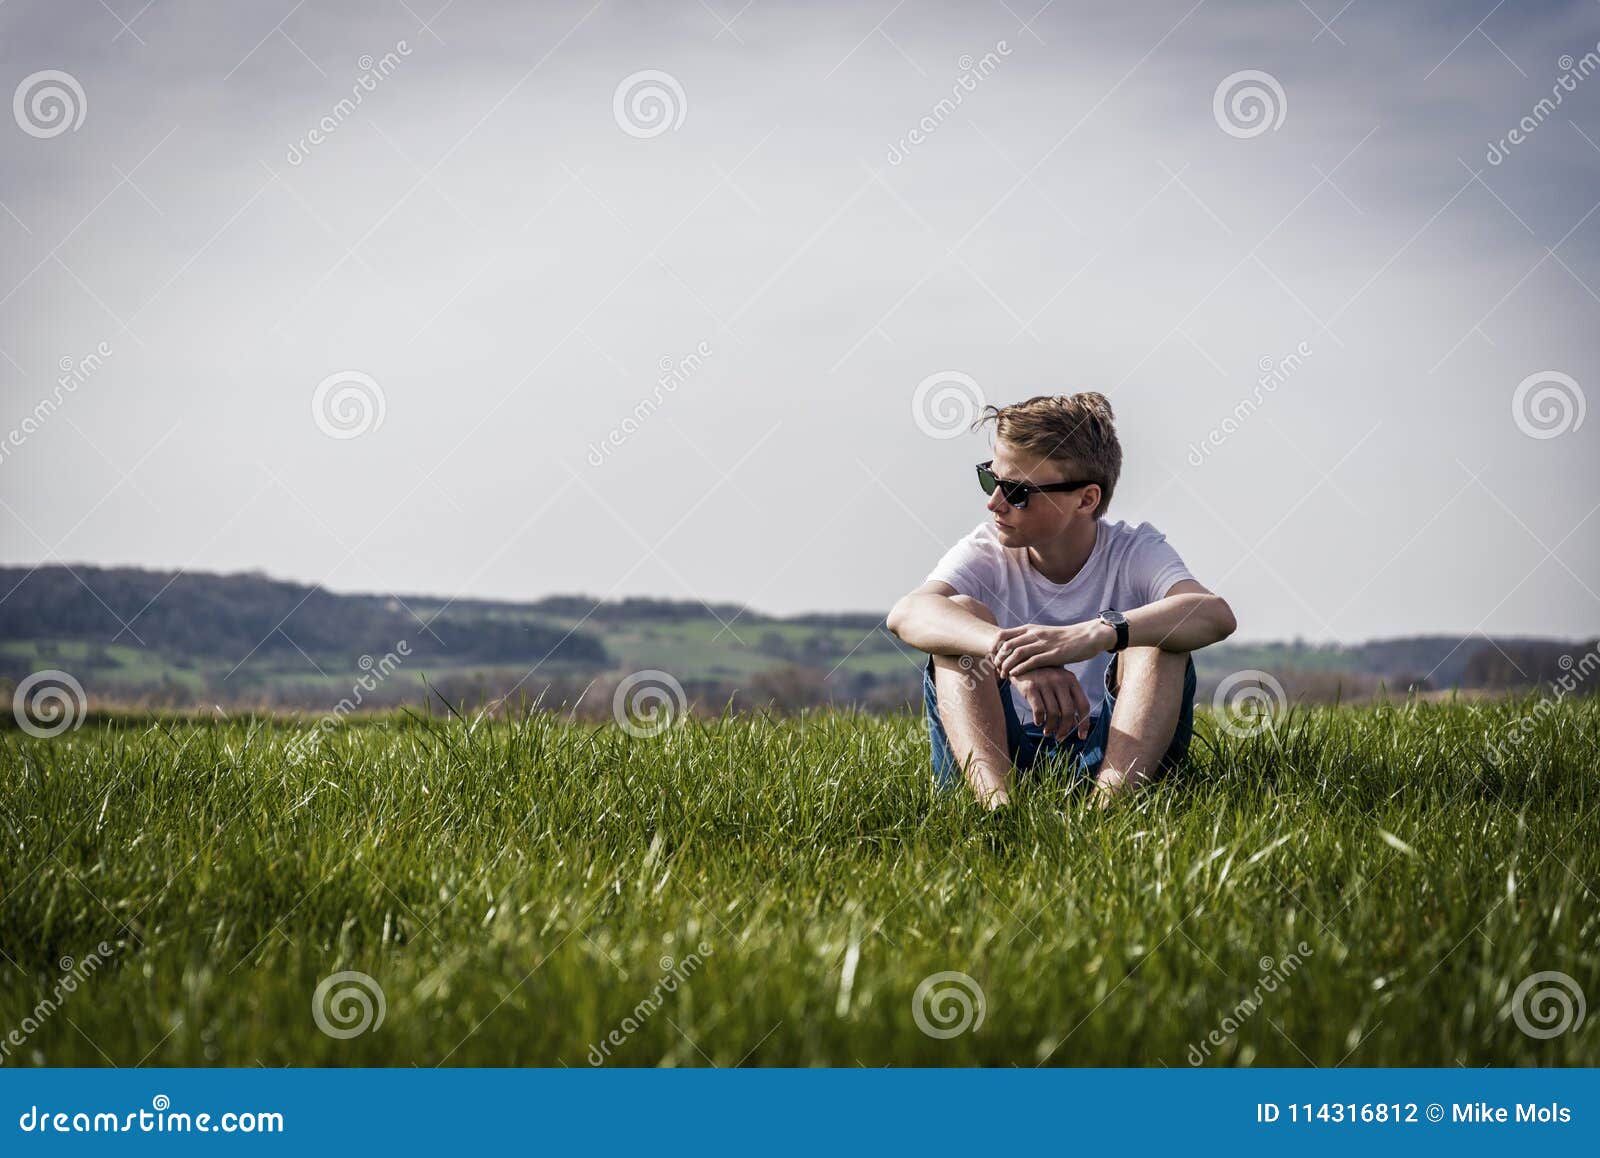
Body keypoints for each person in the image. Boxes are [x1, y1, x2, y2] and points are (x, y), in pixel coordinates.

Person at [887, 392, 1237, 809]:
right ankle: (999, 812)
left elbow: (1214, 615)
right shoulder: (987, 549)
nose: (994, 502)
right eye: (990, 478)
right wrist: (1011, 653)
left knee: (1157, 636)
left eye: (1017, 491)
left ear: (1086, 500)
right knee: (959, 621)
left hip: (1121, 753)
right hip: (1004, 749)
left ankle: (1110, 811)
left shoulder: (1134, 549)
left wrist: (1098, 634)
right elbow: (907, 612)